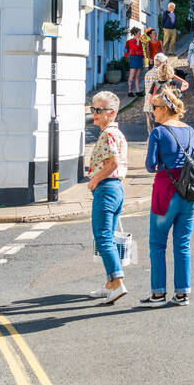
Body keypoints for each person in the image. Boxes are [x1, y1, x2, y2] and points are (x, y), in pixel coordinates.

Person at [141, 87, 194, 307]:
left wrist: (161, 161)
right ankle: (182, 293)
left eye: (156, 107)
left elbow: (150, 165)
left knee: (157, 244)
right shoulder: (190, 130)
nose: (153, 111)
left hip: (166, 193)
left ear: (166, 109)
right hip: (190, 193)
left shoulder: (158, 133)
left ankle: (158, 294)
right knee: (183, 244)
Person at [86, 91, 129, 304]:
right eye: (93, 109)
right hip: (116, 189)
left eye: (99, 110)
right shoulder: (115, 132)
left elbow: (113, 163)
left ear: (111, 114)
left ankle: (118, 282)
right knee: (108, 238)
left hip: (107, 188)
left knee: (102, 237)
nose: (94, 113)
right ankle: (109, 285)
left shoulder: (108, 134)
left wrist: (95, 180)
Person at [143, 53, 189, 132]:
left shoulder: (147, 73)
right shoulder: (162, 73)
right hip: (161, 106)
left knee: (151, 133)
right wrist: (173, 75)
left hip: (148, 106)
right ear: (163, 62)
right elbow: (185, 84)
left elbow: (148, 90)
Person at [124, 27, 145, 96]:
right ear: (135, 33)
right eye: (139, 33)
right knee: (132, 75)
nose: (140, 34)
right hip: (133, 58)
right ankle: (129, 91)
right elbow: (136, 48)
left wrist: (143, 60)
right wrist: (138, 40)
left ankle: (138, 91)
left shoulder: (140, 42)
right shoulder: (130, 41)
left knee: (137, 76)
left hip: (139, 58)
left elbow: (142, 51)